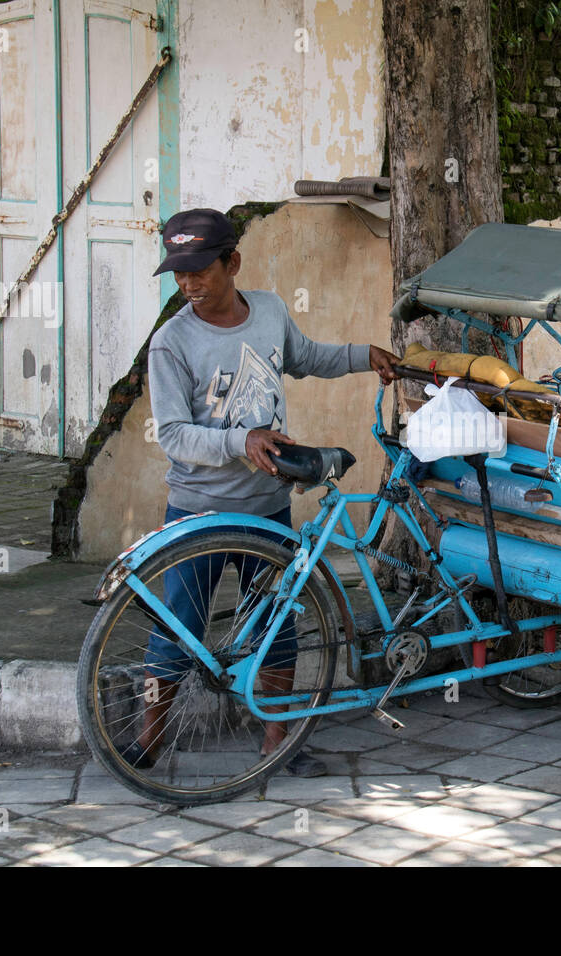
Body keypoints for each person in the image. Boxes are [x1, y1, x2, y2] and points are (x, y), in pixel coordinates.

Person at [121, 207, 399, 777]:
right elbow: (173, 435)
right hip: (197, 512)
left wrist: (362, 356)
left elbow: (306, 356)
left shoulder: (269, 312)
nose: (189, 283)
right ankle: (150, 737)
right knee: (176, 629)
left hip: (268, 511)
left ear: (233, 263)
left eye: (200, 270)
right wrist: (239, 440)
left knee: (277, 624)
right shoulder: (171, 343)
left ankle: (278, 738)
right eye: (179, 273)